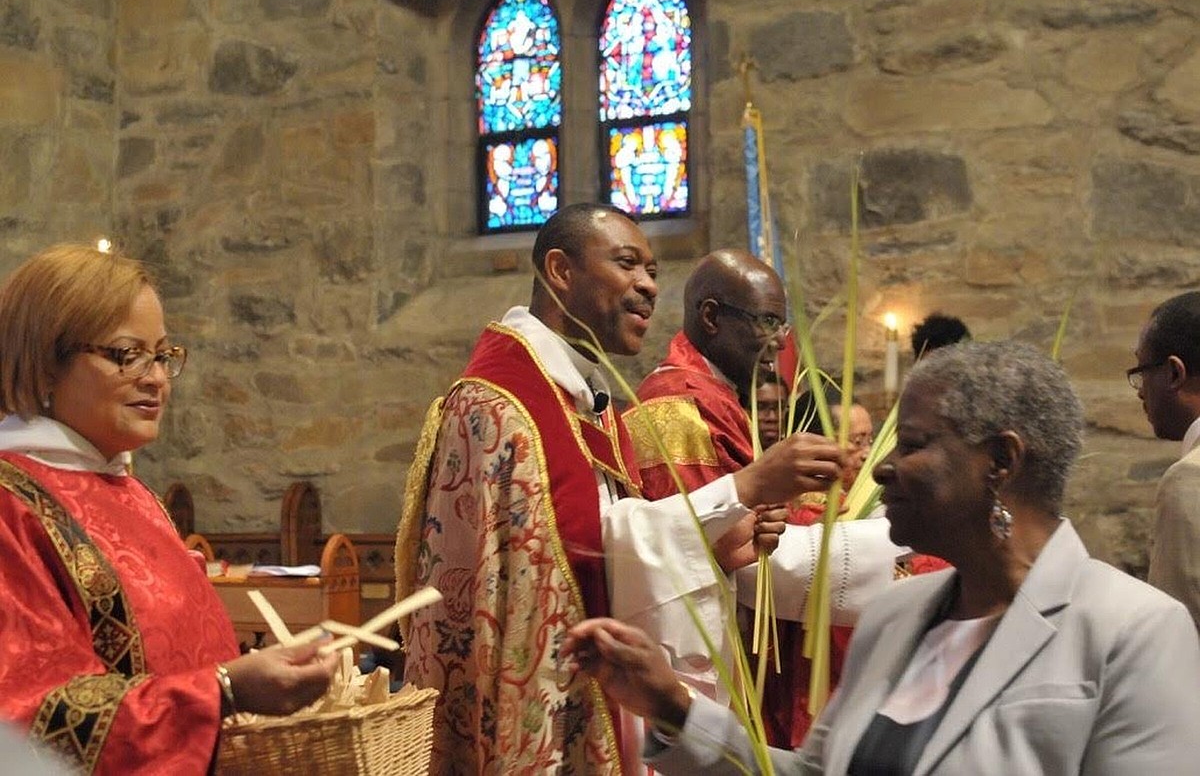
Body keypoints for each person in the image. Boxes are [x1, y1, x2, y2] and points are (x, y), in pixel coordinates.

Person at [566, 341, 1200, 774]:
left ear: (1001, 462)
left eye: (915, 444)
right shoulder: (896, 617)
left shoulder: (1131, 630)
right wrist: (673, 706)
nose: (885, 468)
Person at [394, 205, 842, 773]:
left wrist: (716, 549)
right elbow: (541, 580)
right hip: (535, 700)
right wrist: (745, 486)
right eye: (627, 264)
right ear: (560, 270)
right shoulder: (501, 406)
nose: (649, 286)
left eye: (653, 271)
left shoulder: (591, 400)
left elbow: (605, 555)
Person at [0, 246, 336, 774]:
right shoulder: (10, 507)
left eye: (161, 355)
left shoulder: (131, 491)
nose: (156, 378)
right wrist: (224, 690)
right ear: (44, 364)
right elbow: (29, 717)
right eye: (126, 354)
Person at [623, 251, 904, 742]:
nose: (779, 340)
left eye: (784, 324)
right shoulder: (679, 409)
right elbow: (694, 553)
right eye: (767, 321)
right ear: (711, 316)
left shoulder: (717, 397)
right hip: (689, 656)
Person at [1133, 290, 1200, 631]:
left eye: (1142, 371)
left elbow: (1180, 634)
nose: (1141, 391)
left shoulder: (1189, 479)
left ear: (1174, 373)